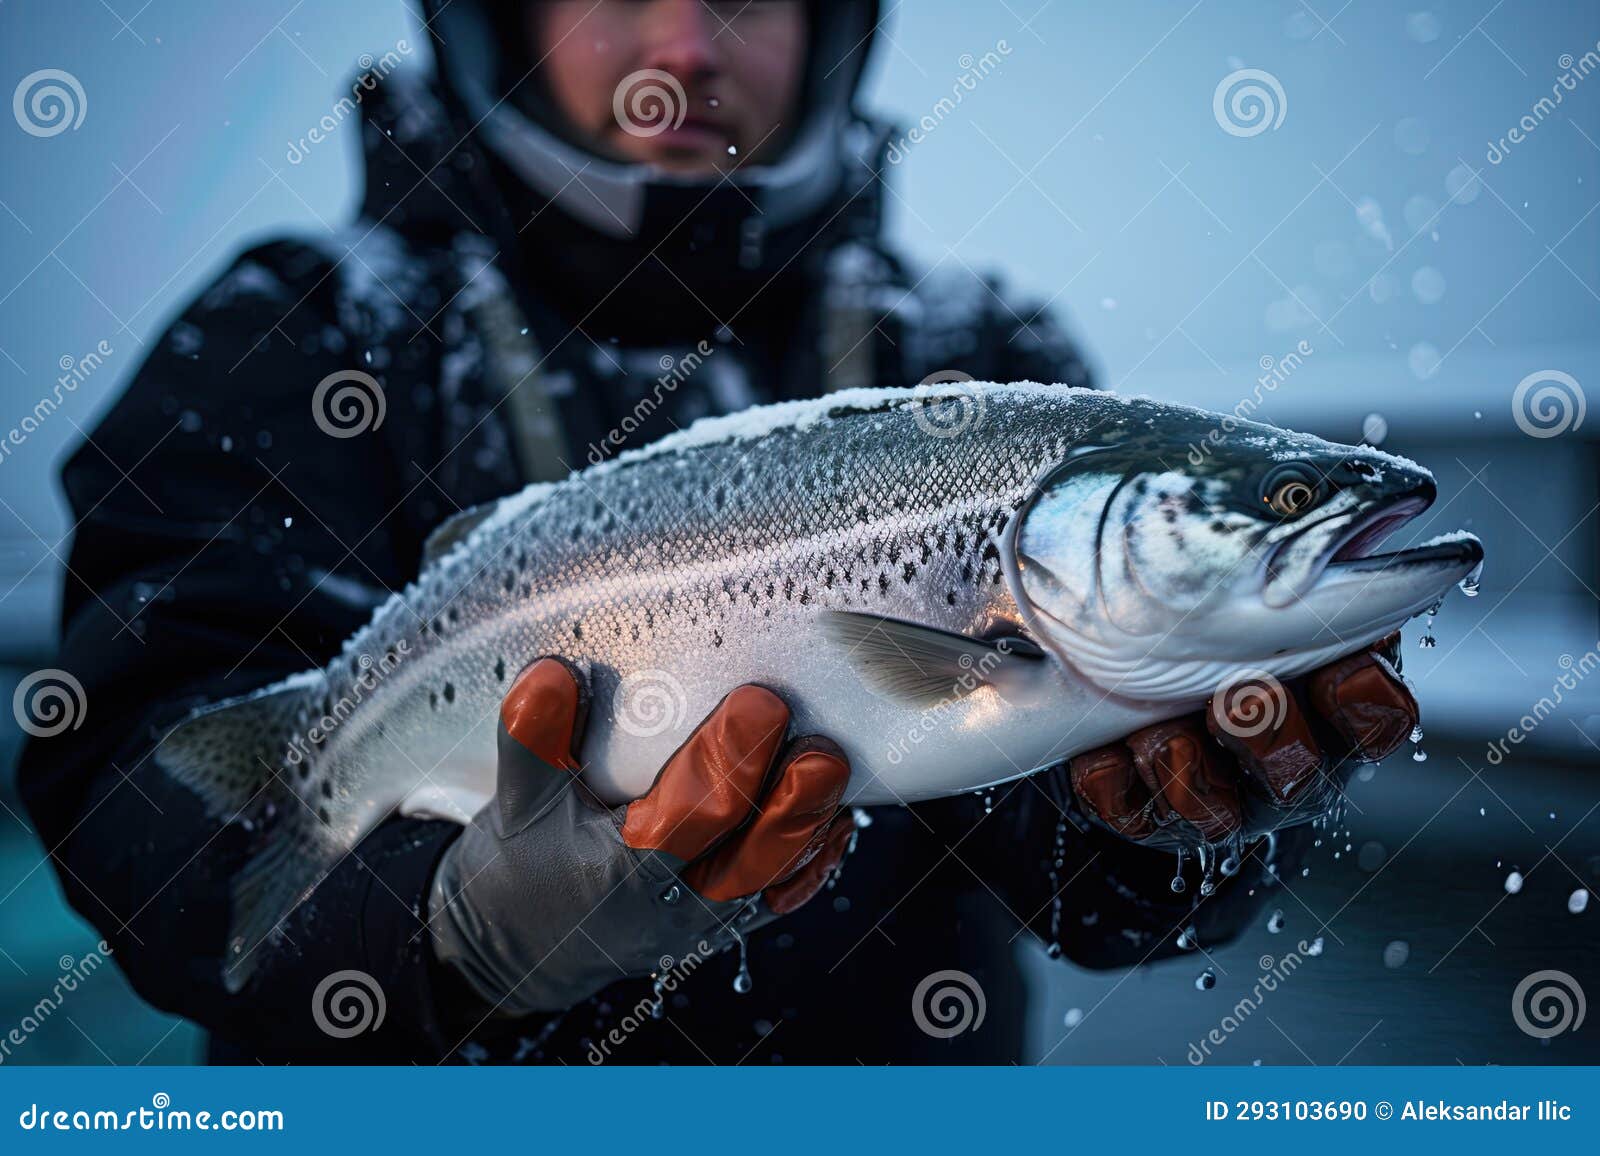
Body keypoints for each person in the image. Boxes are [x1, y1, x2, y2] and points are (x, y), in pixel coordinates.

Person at [18, 0, 1418, 1064]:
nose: (684, 45)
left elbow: (1103, 894)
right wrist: (446, 931)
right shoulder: (307, 328)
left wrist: (1171, 830)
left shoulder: (980, 352)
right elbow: (129, 775)